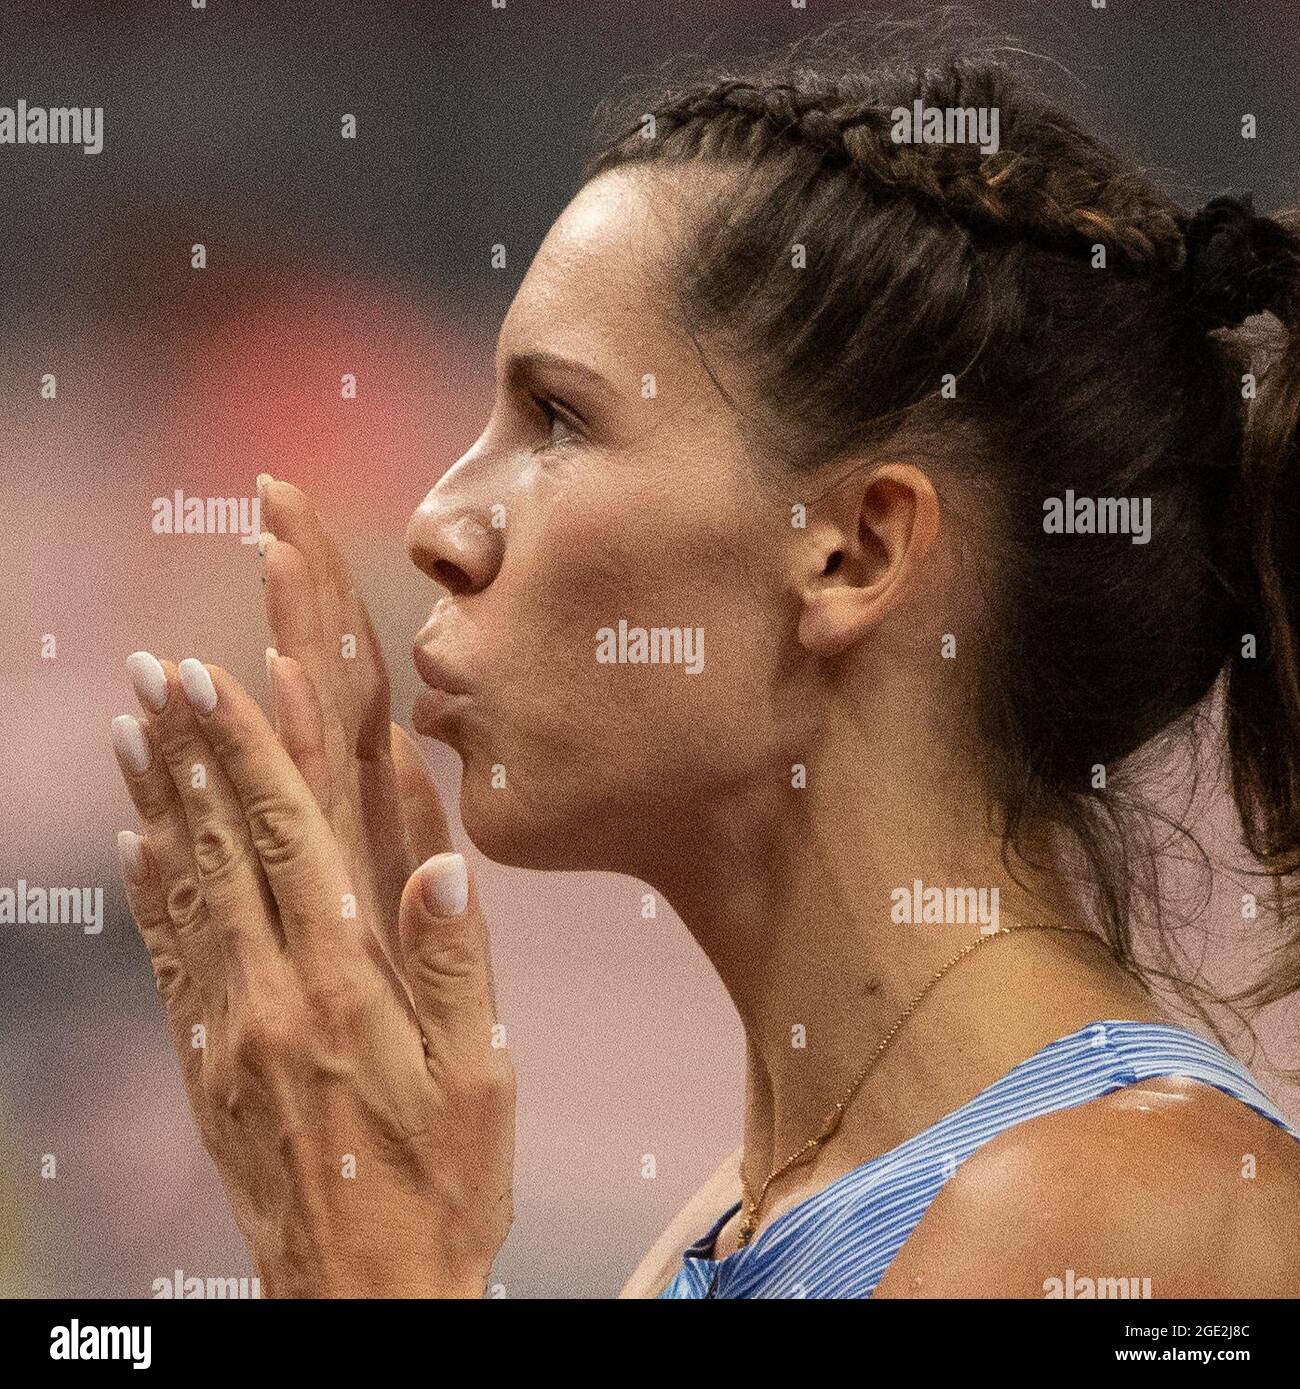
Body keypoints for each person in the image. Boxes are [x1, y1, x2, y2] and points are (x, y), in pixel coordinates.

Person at [109, 34, 1300, 1298]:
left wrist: (371, 1274)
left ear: (853, 551)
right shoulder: (734, 1220)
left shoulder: (1123, 1213)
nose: (436, 524)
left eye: (557, 418)